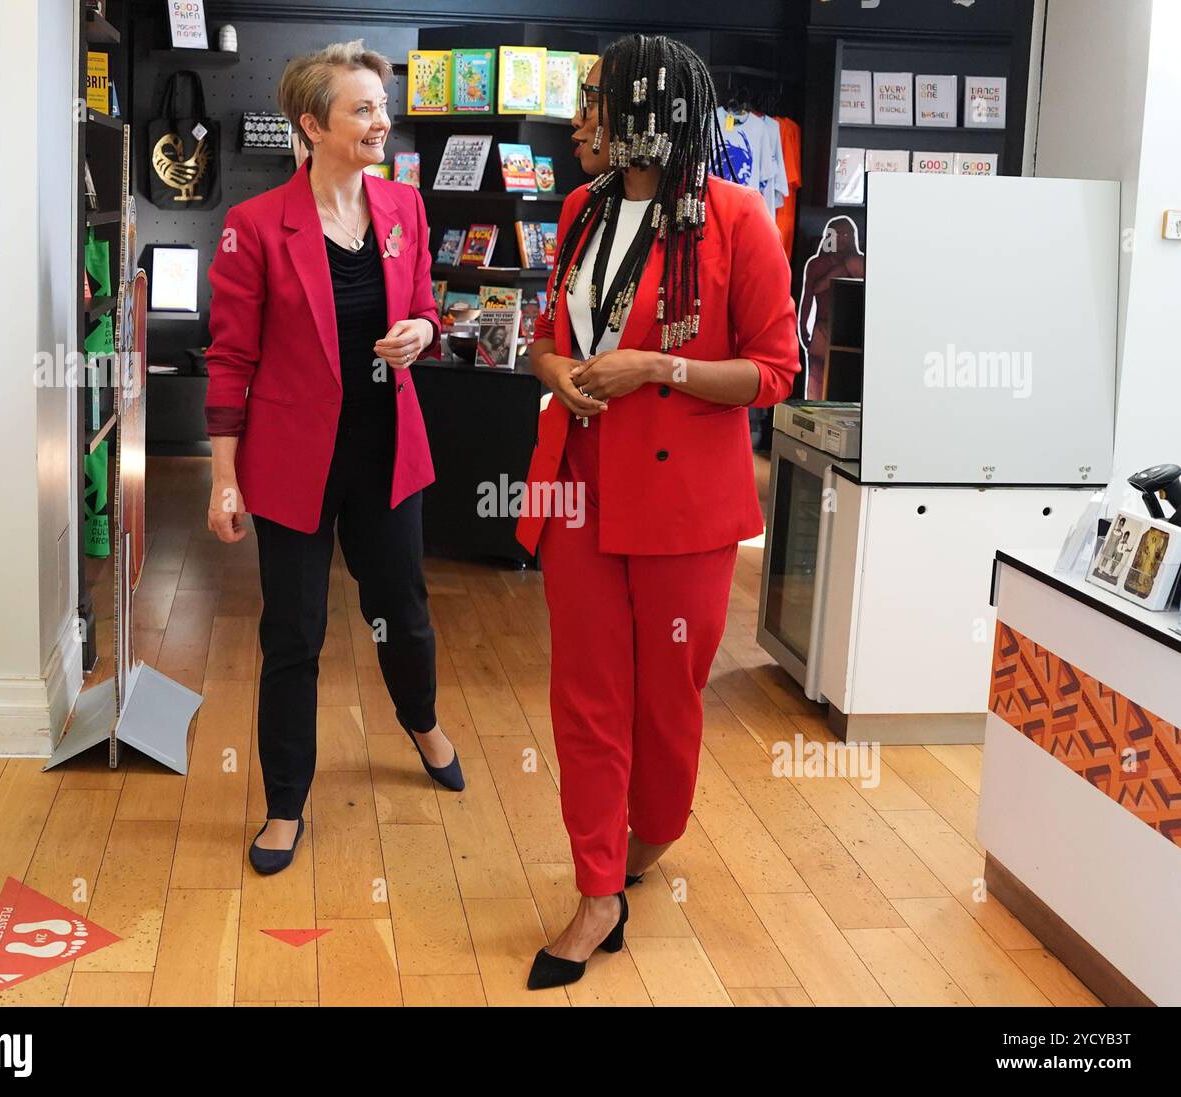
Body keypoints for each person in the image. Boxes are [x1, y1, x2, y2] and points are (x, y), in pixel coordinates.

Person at [517, 35, 800, 988]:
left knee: (667, 703)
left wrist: (657, 367)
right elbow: (549, 338)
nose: (578, 117)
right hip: (576, 484)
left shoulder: (736, 219)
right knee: (585, 696)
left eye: (593, 98)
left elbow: (773, 371)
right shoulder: (577, 212)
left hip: (683, 504)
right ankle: (599, 889)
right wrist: (560, 369)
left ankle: (650, 835)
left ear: (647, 110)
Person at [204, 40, 464, 878]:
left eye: (381, 108)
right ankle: (284, 803)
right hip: (291, 466)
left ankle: (421, 720)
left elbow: (426, 307)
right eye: (362, 109)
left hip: (386, 453)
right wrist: (223, 477)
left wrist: (421, 331)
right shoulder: (254, 228)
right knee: (293, 634)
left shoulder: (403, 210)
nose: (381, 121)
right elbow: (230, 359)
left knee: (405, 610)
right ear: (311, 126)